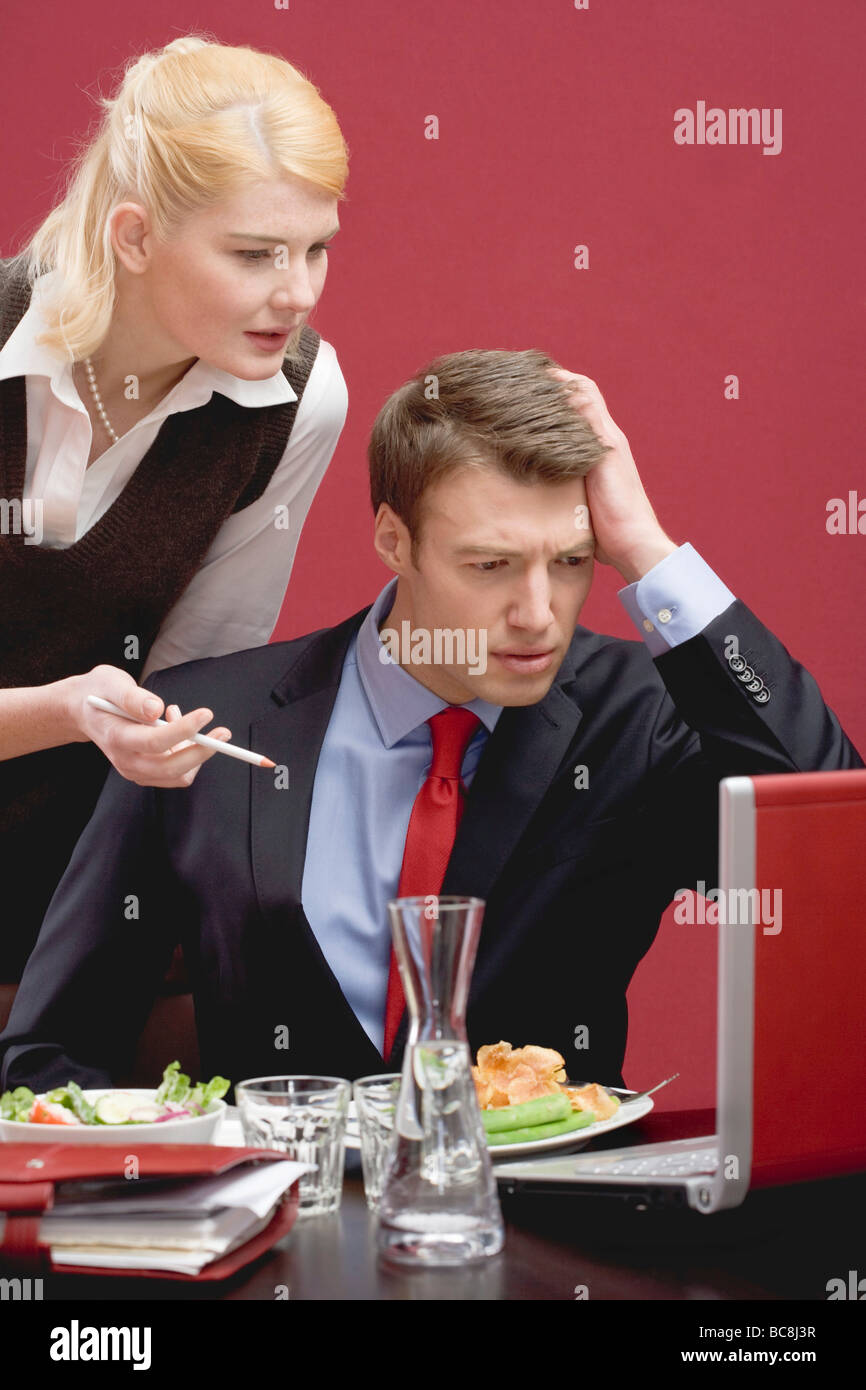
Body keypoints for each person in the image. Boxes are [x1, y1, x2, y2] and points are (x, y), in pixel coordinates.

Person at [0, 348, 861, 1097]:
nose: (538, 614)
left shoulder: (644, 715)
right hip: (270, 1247)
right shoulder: (208, 723)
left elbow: (827, 851)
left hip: (557, 1253)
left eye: (569, 562)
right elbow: (52, 1054)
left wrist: (647, 549)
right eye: (490, 564)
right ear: (393, 539)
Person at [0, 37, 351, 976]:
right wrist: (70, 709)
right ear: (135, 235)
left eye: (317, 248)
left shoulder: (296, 399)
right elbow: (94, 709)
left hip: (61, 912)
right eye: (255, 254)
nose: (299, 293)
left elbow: (193, 676)